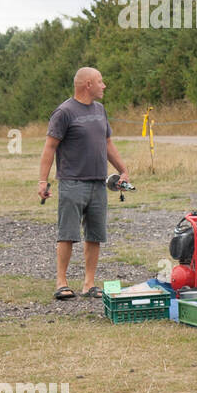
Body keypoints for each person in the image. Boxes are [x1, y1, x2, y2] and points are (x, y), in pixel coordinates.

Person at [38, 67, 129, 300]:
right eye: (100, 81)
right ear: (88, 84)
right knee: (67, 233)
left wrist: (123, 170)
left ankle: (89, 284)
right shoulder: (64, 112)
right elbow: (50, 147)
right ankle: (61, 283)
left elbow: (108, 143)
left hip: (98, 183)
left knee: (95, 235)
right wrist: (42, 180)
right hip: (71, 182)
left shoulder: (100, 110)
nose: (104, 85)